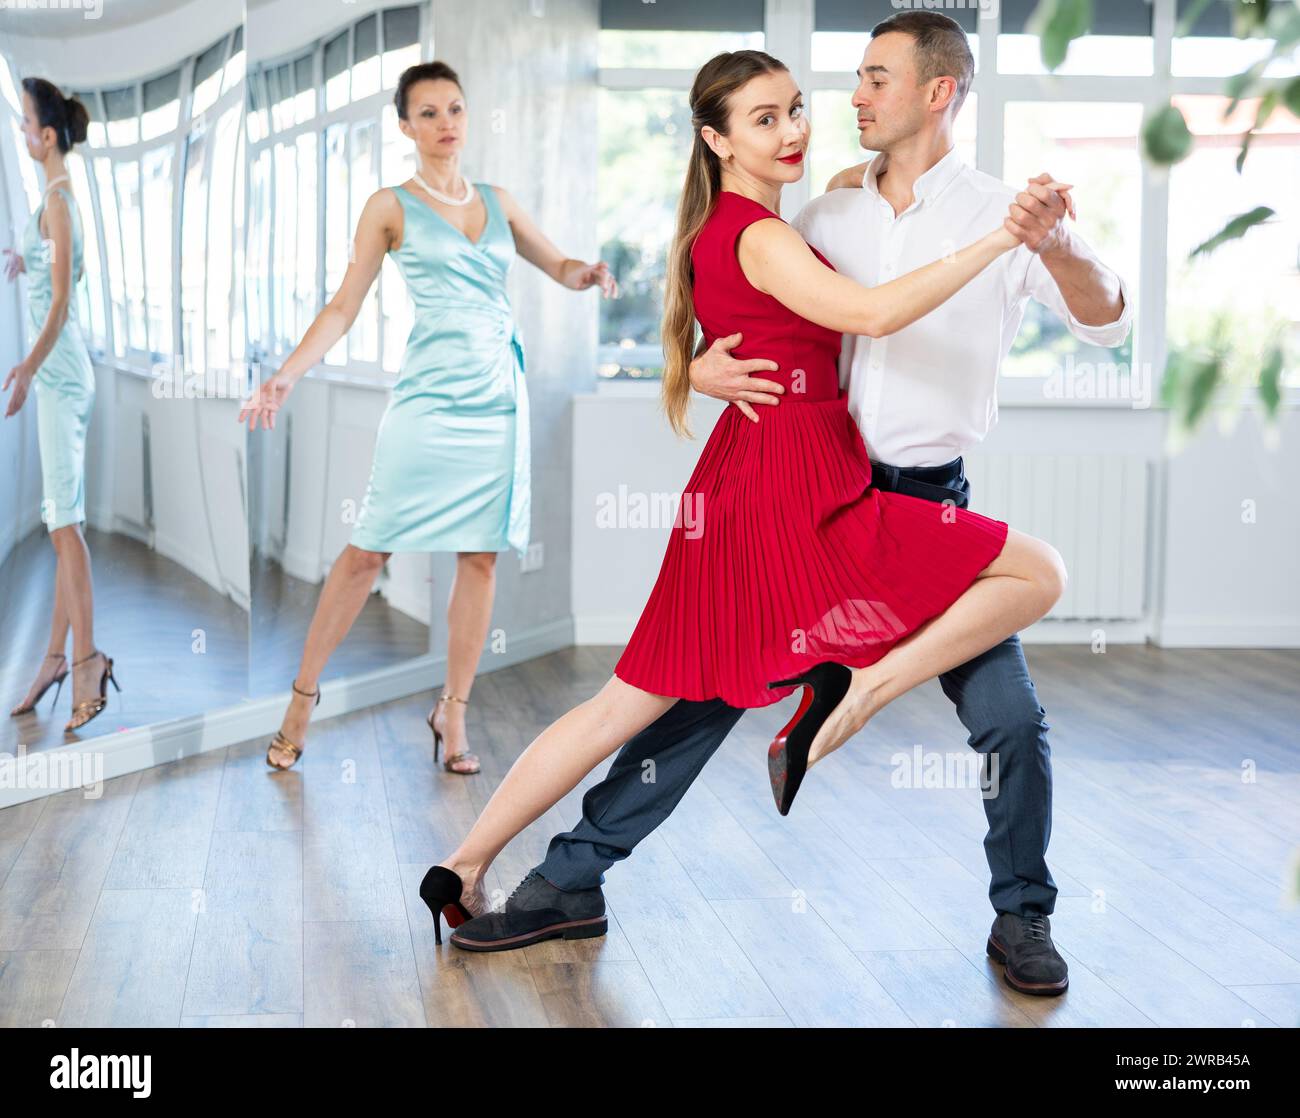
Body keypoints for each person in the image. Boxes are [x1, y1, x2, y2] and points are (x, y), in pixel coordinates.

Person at [451, 11, 1131, 999]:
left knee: (1010, 724)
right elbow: (747, 297)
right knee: (695, 705)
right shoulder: (824, 212)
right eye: (843, 83)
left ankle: (1020, 913)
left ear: (937, 91)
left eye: (871, 79)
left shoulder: (1004, 212)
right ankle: (568, 876)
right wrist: (697, 365)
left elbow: (1106, 314)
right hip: (819, 500)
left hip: (924, 509)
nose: (849, 98)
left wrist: (1062, 244)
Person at [239, 61, 616, 772]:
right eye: (430, 113)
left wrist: (588, 274)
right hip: (428, 400)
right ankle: (301, 697)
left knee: (478, 557)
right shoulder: (390, 205)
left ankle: (454, 713)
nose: (446, 124)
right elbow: (343, 305)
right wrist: (286, 375)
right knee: (368, 550)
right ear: (405, 126)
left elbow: (558, 265)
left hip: (496, 399)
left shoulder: (500, 200)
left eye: (455, 109)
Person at [4, 78, 119, 733]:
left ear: (47, 137)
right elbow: (56, 272)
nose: (21, 133)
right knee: (60, 518)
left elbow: (62, 304)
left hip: (61, 373)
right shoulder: (52, 200)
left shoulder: (60, 202)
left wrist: (25, 368)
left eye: (25, 124)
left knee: (62, 525)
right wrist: (25, 257)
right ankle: (53, 658)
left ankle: (87, 663)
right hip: (60, 372)